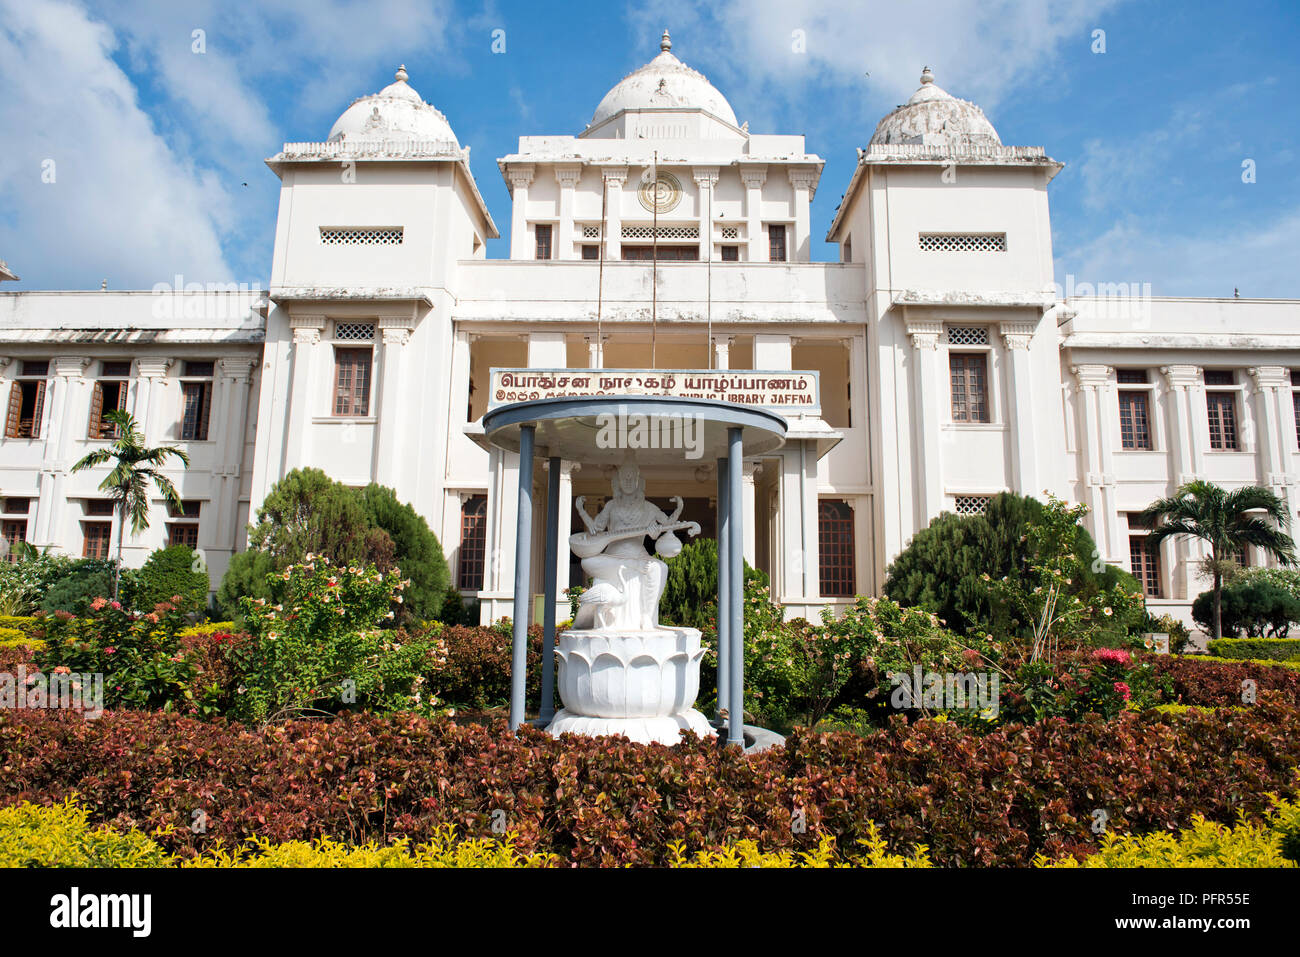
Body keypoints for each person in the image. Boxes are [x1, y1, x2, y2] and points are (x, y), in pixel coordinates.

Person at [571, 459, 699, 631]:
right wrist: (581, 511)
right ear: (618, 482)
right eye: (625, 477)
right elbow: (595, 530)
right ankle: (631, 566)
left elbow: (667, 525)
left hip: (639, 554)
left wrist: (678, 509)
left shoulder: (649, 508)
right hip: (612, 556)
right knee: (587, 562)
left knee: (660, 568)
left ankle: (646, 615)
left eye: (633, 477)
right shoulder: (611, 506)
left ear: (640, 482)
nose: (629, 481)